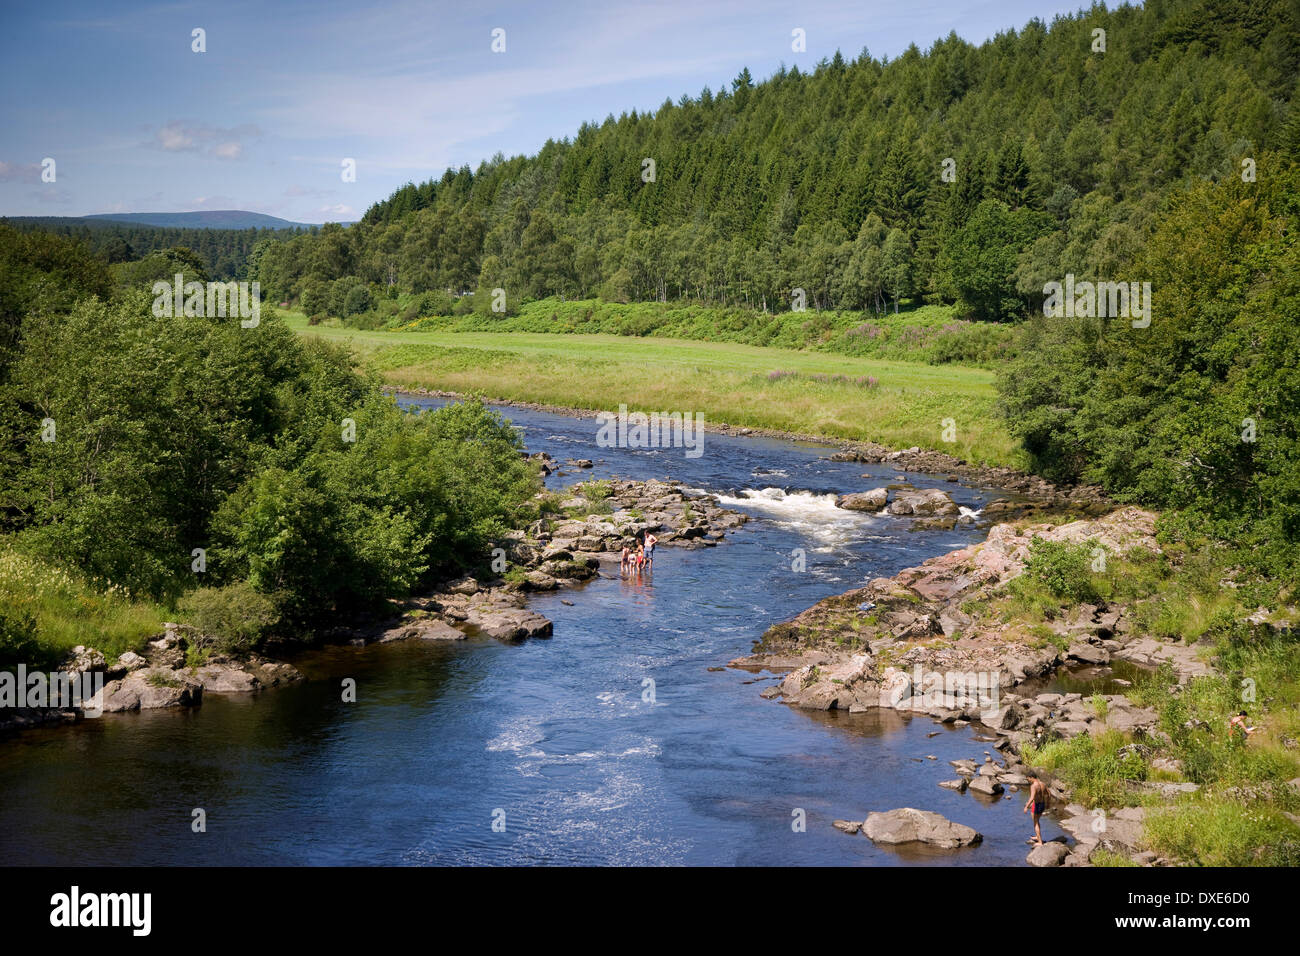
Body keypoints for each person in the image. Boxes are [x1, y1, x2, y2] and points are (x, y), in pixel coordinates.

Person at [1023, 770, 1048, 846]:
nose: (1028, 781)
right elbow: (1048, 793)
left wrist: (1026, 807)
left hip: (1037, 806)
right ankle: (1037, 836)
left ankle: (1040, 842)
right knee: (1037, 820)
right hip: (1042, 804)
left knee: (1035, 823)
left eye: (1028, 779)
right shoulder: (1042, 784)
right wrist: (1048, 803)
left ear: (1031, 777)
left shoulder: (1033, 786)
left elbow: (1032, 797)